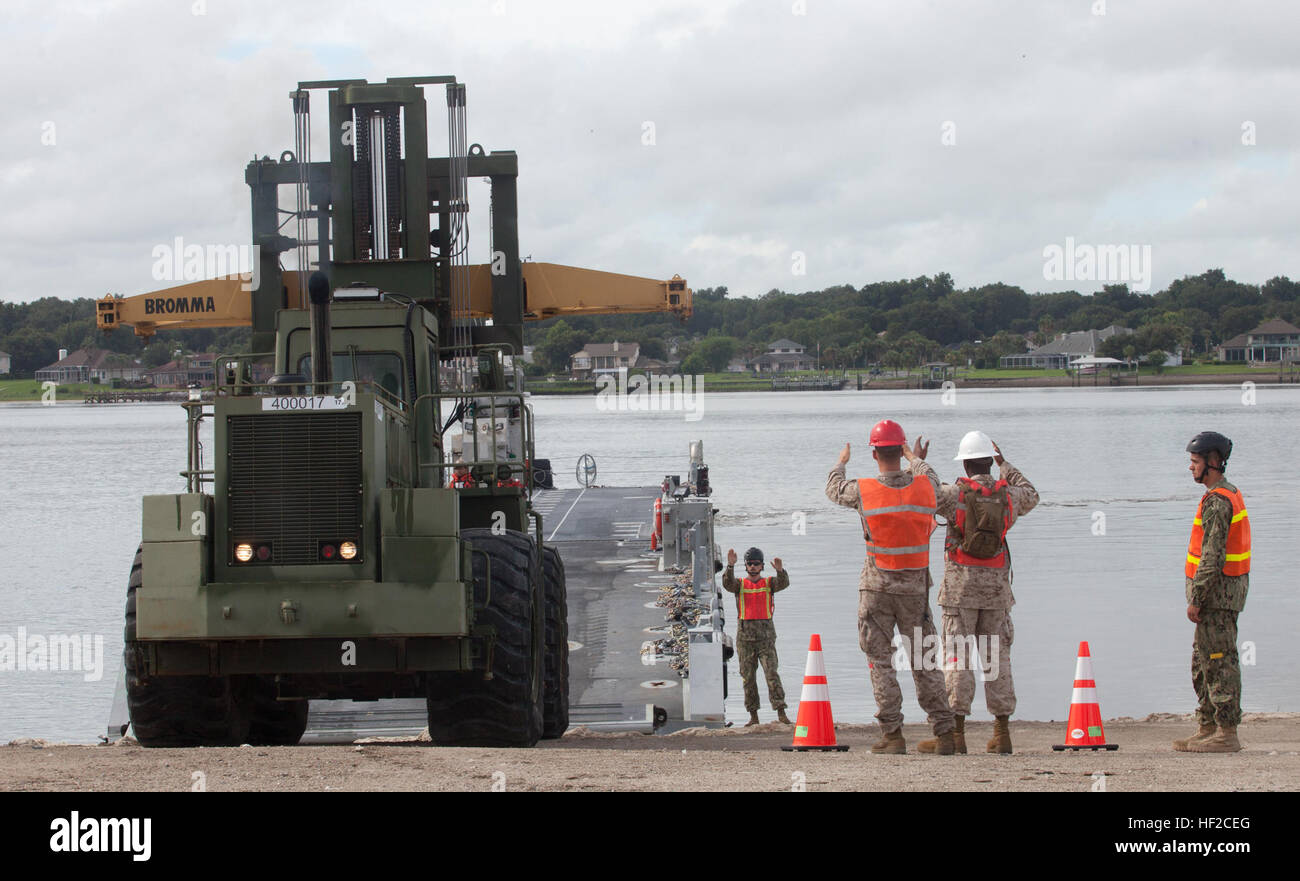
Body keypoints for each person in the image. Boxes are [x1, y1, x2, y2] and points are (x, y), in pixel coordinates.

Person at [826, 419, 956, 755]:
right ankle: (945, 734)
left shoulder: (864, 490)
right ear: (901, 450)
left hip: (876, 589)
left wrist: (841, 461)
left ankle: (893, 735)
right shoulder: (925, 488)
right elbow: (936, 483)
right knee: (925, 660)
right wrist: (916, 459)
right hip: (914, 590)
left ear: (873, 454)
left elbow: (834, 489)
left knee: (880, 661)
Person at [910, 431, 1038, 755]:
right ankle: (1002, 733)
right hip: (997, 590)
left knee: (958, 659)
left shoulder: (956, 495)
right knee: (997, 659)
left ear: (965, 464)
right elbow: (1033, 493)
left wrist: (916, 460)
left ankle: (956, 735)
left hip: (959, 590)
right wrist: (1005, 464)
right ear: (990, 463)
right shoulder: (1009, 495)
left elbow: (927, 491)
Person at [1174, 431, 1250, 753]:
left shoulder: (1219, 499)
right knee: (1203, 660)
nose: (1190, 468)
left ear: (1213, 463)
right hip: (1220, 595)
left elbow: (1212, 556)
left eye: (1195, 462)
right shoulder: (1222, 494)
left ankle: (1226, 733)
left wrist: (1197, 598)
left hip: (1217, 597)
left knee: (1219, 661)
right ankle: (1207, 726)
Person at [722, 547, 790, 726]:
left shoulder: (769, 583)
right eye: (750, 564)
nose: (752, 567)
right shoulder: (740, 584)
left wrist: (780, 570)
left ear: (761, 566)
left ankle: (781, 712)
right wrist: (729, 565)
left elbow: (783, 583)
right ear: (745, 565)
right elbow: (727, 584)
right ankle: (753, 716)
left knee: (772, 674)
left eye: (756, 564)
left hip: (766, 639)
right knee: (748, 678)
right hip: (745, 639)